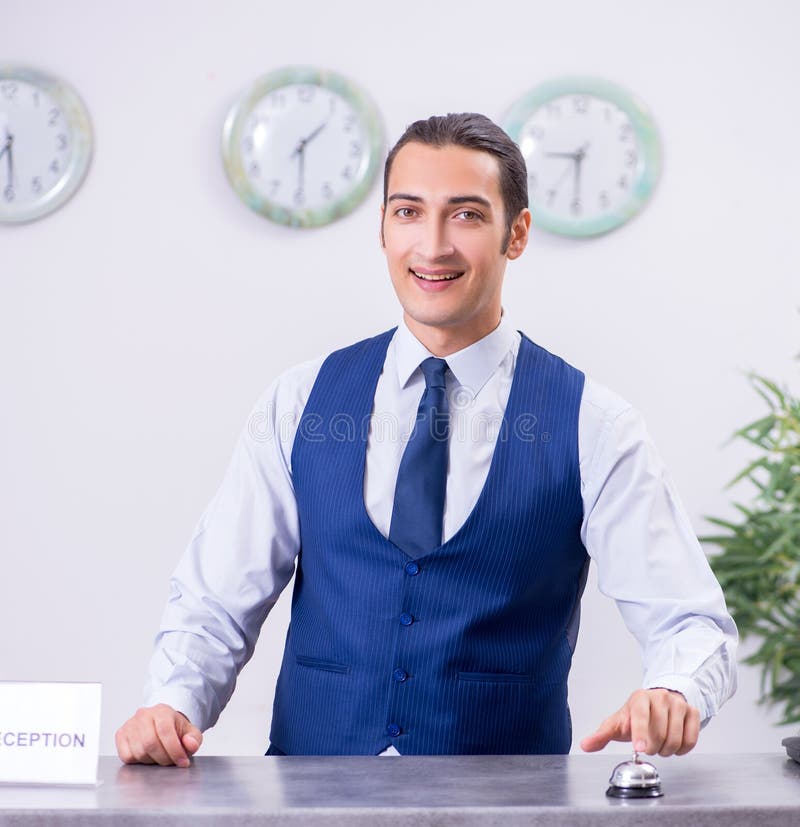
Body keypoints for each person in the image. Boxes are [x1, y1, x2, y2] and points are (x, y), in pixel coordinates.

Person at [116, 113, 737, 767]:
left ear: (516, 233)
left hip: (511, 807)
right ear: (382, 228)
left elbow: (689, 618)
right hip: (311, 797)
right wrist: (172, 702)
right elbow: (216, 598)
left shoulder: (594, 423)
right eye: (408, 212)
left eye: (466, 215)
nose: (432, 245)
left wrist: (673, 687)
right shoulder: (298, 402)